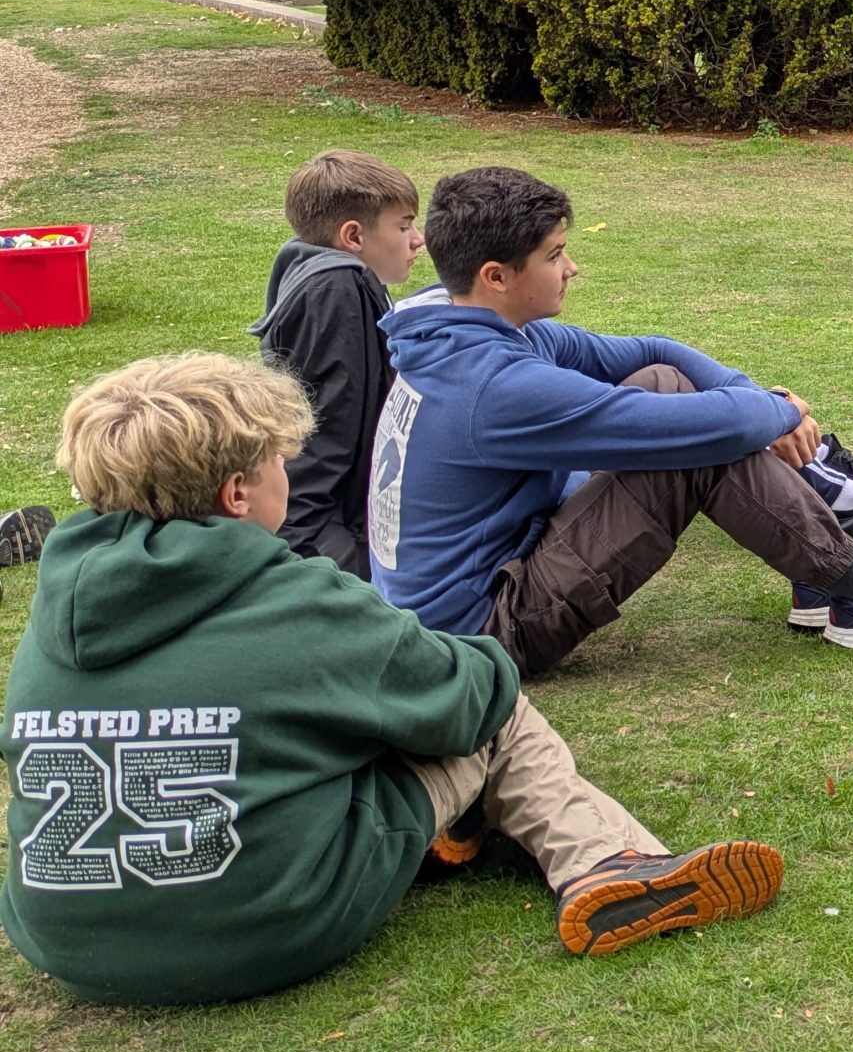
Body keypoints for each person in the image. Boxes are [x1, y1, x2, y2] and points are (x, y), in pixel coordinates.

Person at [0, 353, 784, 1005]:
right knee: (495, 707)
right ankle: (607, 862)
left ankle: (460, 831)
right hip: (267, 929)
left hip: (66, 943)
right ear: (236, 493)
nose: (288, 473)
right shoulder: (297, 599)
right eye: (279, 460)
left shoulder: (57, 608)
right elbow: (469, 693)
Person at [371, 165, 853, 676]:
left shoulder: (459, 323)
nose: (572, 267)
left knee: (666, 384)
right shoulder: (493, 384)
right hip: (480, 632)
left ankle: (818, 572)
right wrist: (780, 409)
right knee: (696, 445)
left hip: (484, 577)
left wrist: (754, 398)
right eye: (553, 256)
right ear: (496, 276)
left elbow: (653, 352)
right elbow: (717, 428)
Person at [245, 150, 427, 576]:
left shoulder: (325, 272)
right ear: (353, 236)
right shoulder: (336, 290)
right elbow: (327, 427)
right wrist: (333, 563)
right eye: (403, 226)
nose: (418, 239)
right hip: (324, 533)